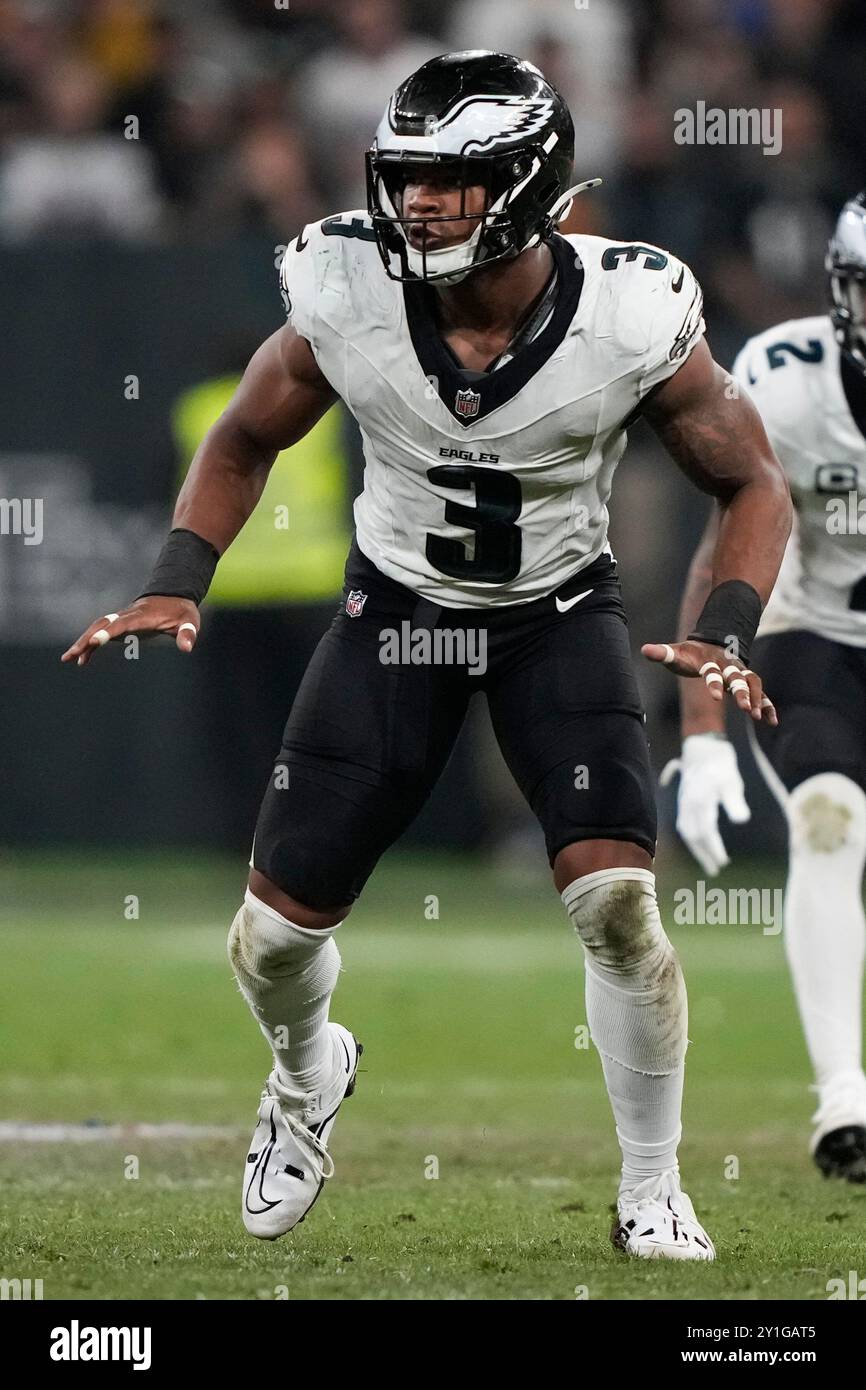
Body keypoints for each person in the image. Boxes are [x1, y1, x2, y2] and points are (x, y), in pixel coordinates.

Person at [63, 52, 791, 1260]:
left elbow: (747, 479)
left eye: (451, 183)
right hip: (393, 611)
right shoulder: (342, 281)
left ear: (524, 181)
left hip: (555, 611)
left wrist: (723, 632)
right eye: (406, 179)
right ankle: (307, 1077)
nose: (419, 205)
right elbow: (245, 433)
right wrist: (172, 581)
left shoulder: (627, 308)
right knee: (272, 941)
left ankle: (652, 1185)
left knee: (617, 909)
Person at [666, 193, 866, 1183]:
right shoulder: (784, 383)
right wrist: (700, 731)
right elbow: (717, 557)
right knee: (829, 819)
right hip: (807, 632)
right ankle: (844, 1100)